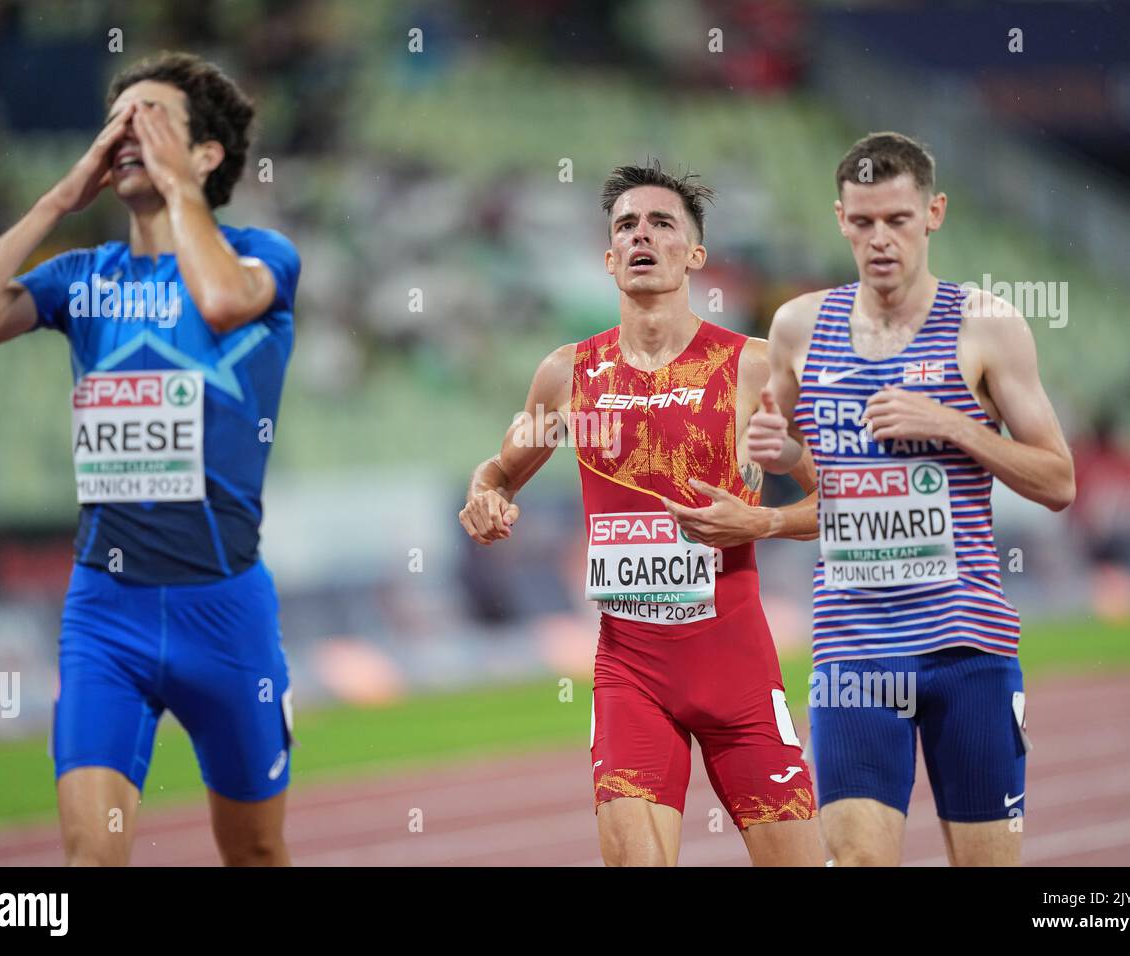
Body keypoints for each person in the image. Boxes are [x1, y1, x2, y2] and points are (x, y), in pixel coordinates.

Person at [0, 52, 300, 866]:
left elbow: (225, 301)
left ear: (207, 154)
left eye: (151, 120)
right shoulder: (81, 278)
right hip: (105, 614)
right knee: (92, 858)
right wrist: (61, 197)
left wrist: (181, 195)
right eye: (117, 122)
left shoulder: (264, 255)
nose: (127, 136)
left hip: (226, 615)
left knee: (257, 856)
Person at [723, 131, 1076, 866]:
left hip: (967, 649)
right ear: (840, 220)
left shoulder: (986, 325)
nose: (879, 239)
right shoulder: (799, 328)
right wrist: (780, 454)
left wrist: (950, 422)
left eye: (897, 220)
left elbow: (1058, 482)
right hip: (853, 651)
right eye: (862, 222)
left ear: (933, 214)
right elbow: (812, 470)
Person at [458, 161, 824, 866]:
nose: (641, 235)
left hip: (737, 670)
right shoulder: (568, 373)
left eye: (662, 223)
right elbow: (497, 473)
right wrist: (486, 499)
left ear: (695, 255)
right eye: (626, 225)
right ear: (608, 257)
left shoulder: (752, 368)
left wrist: (762, 523)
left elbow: (843, 502)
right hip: (631, 675)